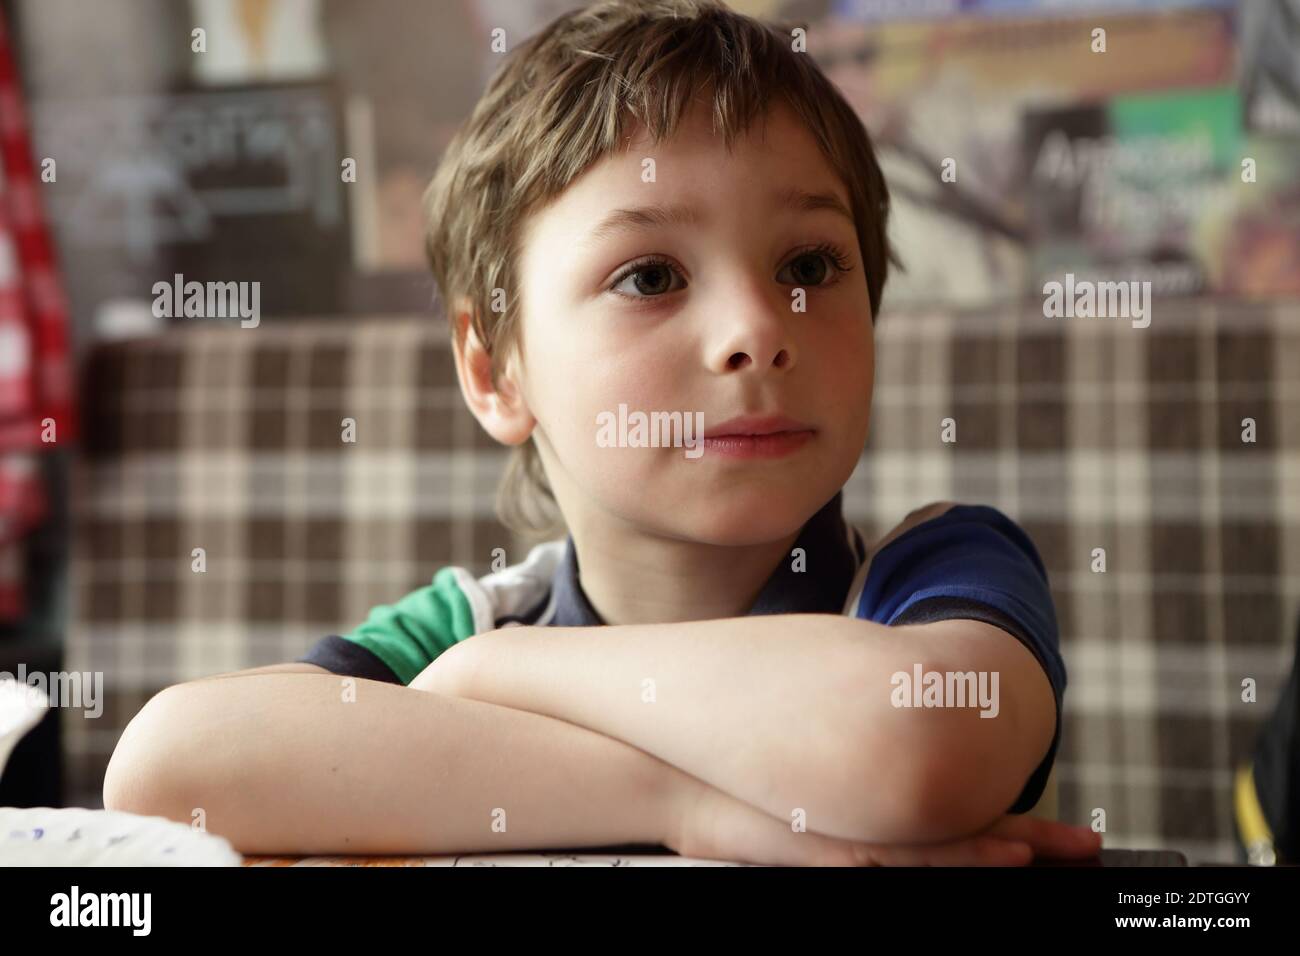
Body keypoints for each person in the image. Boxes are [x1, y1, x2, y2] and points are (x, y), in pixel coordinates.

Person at [104, 0, 1101, 867]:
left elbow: (913, 747)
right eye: (650, 276)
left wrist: (502, 679)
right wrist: (682, 804)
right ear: (496, 369)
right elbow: (165, 768)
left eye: (807, 264)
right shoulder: (473, 620)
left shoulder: (933, 571)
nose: (758, 327)